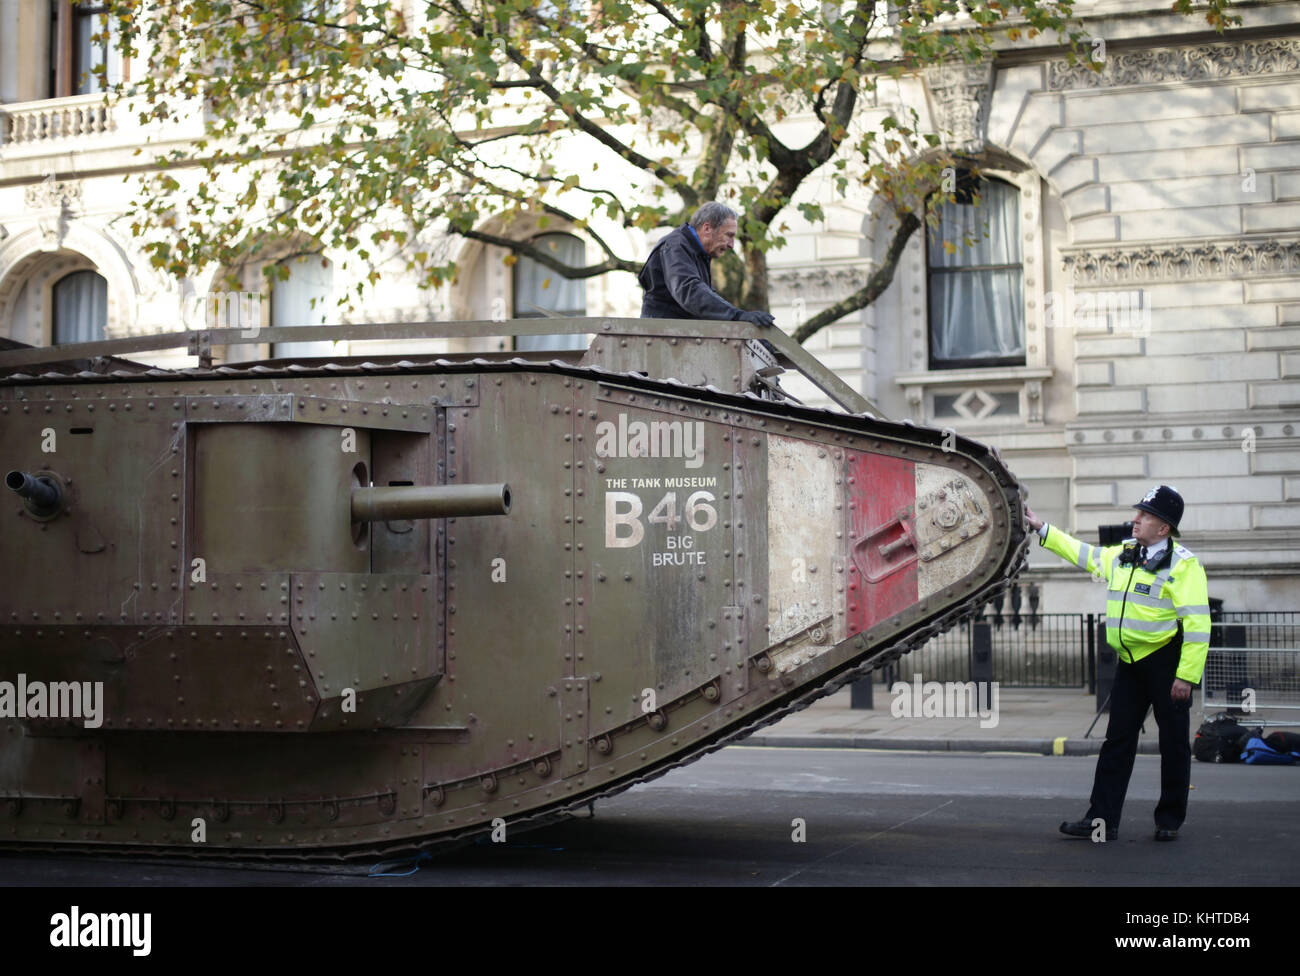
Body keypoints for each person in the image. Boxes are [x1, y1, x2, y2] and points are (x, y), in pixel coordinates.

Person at [1024, 485, 1210, 842]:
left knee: (1173, 744)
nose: (1135, 519)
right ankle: (1101, 821)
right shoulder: (1125, 553)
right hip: (1130, 663)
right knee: (1117, 742)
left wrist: (1186, 676)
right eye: (1138, 512)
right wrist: (1041, 527)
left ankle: (1169, 819)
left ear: (1164, 528)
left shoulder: (1184, 565)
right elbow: (1085, 555)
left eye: (1145, 515)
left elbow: (1199, 624)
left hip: (1166, 663)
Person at [638, 202, 776, 327]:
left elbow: (703, 298)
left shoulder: (693, 251)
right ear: (707, 228)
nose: (731, 245)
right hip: (663, 338)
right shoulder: (675, 246)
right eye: (729, 235)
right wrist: (737, 316)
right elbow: (690, 291)